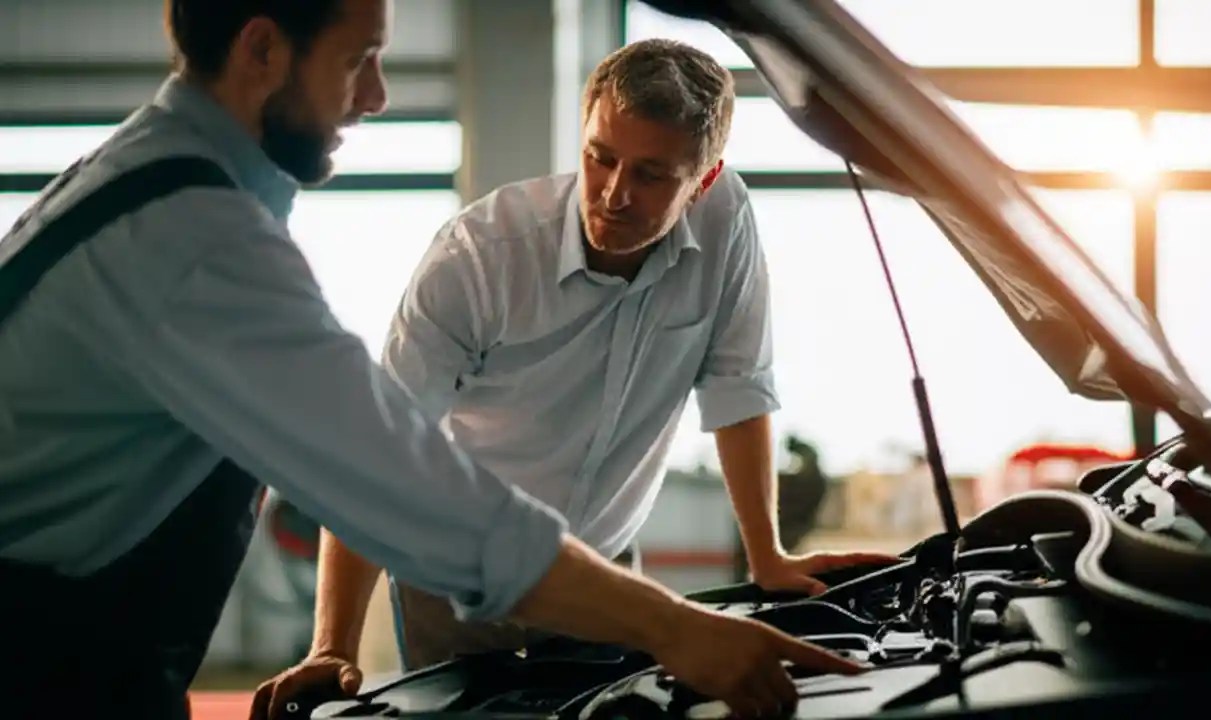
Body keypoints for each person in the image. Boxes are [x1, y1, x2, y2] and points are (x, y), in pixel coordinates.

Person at [0, 2, 863, 718]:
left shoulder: (149, 178)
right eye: (360, 59)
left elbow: (735, 380)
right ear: (263, 49)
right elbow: (380, 465)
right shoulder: (199, 241)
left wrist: (751, 566)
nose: (376, 96)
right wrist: (680, 630)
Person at [255, 37, 898, 707]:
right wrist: (332, 646)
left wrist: (766, 556)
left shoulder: (727, 217)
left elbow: (738, 386)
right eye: (600, 158)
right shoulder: (479, 257)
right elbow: (378, 455)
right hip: (455, 572)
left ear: (704, 179)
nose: (616, 194)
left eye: (652, 174)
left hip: (604, 565)